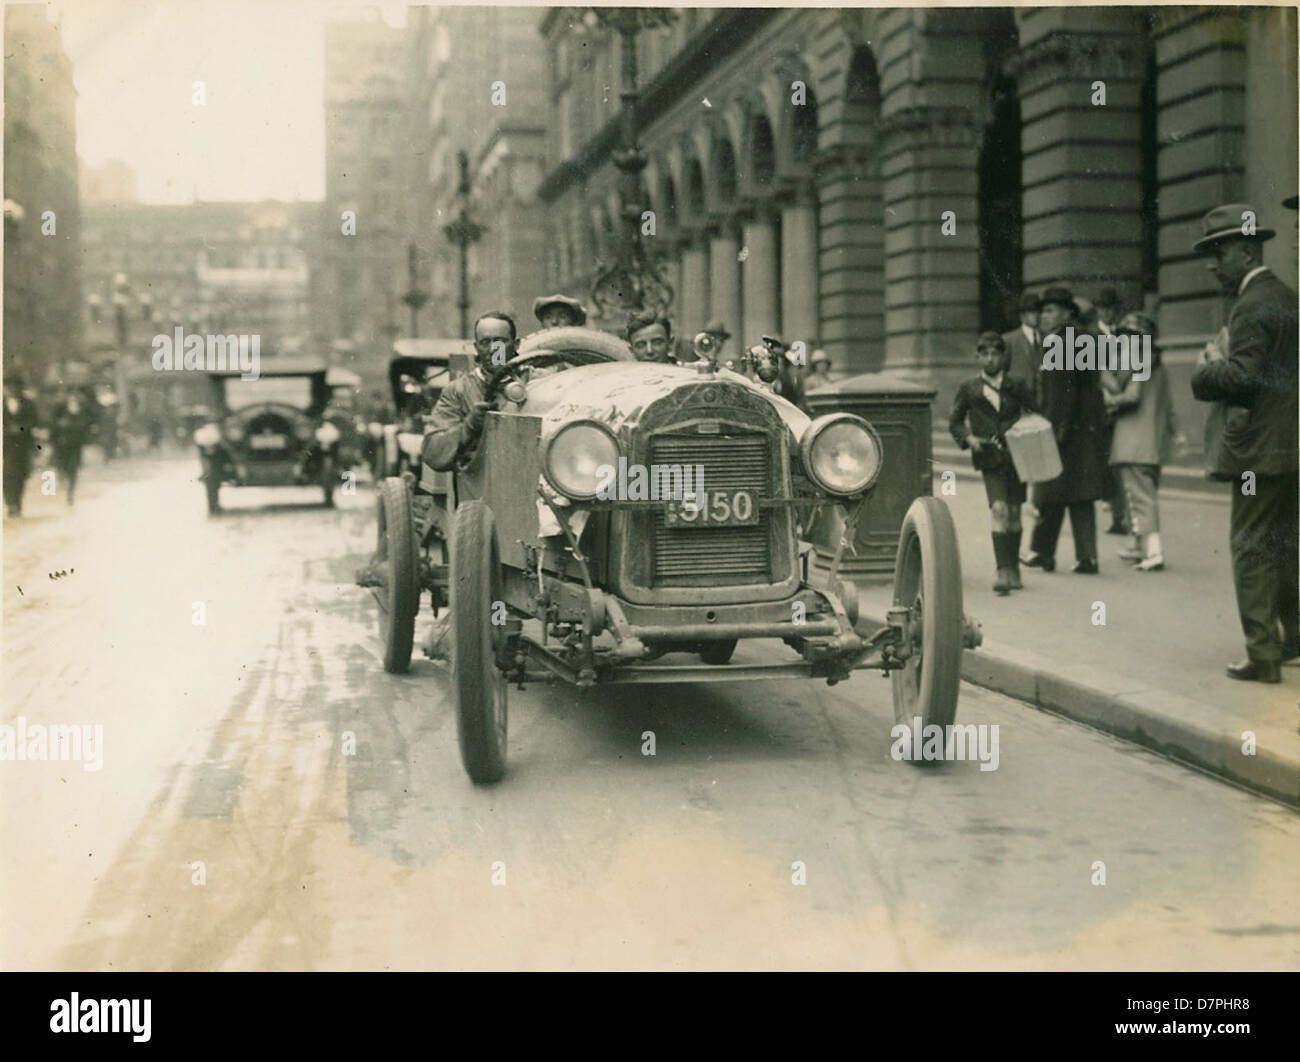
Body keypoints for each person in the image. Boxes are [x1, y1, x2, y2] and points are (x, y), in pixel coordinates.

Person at [1190, 202, 1298, 683]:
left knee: (1251, 544)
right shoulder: (1290, 298)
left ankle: (1262, 654)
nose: (1212, 264)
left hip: (1258, 454)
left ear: (1247, 250)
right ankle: (1292, 638)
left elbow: (1243, 378)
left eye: (1219, 252)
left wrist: (1206, 368)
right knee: (1286, 542)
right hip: (1293, 448)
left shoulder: (1250, 306)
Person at [1022, 286, 1110, 574]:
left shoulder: (1062, 342)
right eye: (1042, 311)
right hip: (1082, 429)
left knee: (1053, 491)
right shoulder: (1077, 339)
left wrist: (1055, 431)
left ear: (1066, 313)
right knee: (1076, 495)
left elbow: (1065, 393)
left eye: (1050, 311)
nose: (1043, 316)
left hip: (1066, 430)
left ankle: (1043, 552)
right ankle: (1084, 557)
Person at [949, 332, 1037, 594]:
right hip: (989, 458)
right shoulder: (969, 388)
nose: (990, 359)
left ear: (1003, 356)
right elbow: (955, 421)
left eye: (995, 354)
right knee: (998, 509)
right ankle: (1002, 570)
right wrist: (969, 438)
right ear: (978, 357)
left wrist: (1026, 430)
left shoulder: (1016, 384)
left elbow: (1035, 410)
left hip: (1016, 456)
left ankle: (1014, 567)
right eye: (985, 354)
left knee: (1014, 514)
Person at [1106, 312, 1181, 572]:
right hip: (1154, 442)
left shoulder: (1138, 361)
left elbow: (1131, 396)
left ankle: (1153, 551)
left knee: (1139, 498)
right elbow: (1169, 406)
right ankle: (1137, 547)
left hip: (1132, 442)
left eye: (1128, 337)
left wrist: (1107, 399)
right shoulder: (1158, 363)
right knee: (1143, 495)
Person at [422, 310, 519, 474]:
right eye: (485, 342)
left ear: (516, 345)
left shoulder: (537, 382)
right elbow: (433, 453)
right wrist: (470, 425)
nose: (493, 350)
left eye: (500, 342)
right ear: (476, 347)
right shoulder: (458, 390)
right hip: (478, 485)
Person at [1094, 286, 1131, 535]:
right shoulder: (1090, 336)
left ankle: (1120, 516)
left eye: (1111, 308)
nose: (1107, 313)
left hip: (1123, 406)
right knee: (1105, 462)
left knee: (1120, 464)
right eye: (1103, 309)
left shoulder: (1125, 335)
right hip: (1099, 407)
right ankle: (1113, 508)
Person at [49, 386, 95, 506]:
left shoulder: (83, 407)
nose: (73, 396)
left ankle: (70, 491)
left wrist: (83, 428)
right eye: (71, 393)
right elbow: (52, 424)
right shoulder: (60, 407)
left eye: (76, 394)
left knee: (73, 468)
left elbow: (90, 421)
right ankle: (65, 481)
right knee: (63, 466)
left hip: (76, 442)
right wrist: (59, 428)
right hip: (62, 442)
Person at [3, 374, 39, 517]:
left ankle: (17, 502)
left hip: (23, 444)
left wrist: (21, 428)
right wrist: (7, 430)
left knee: (21, 474)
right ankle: (10, 502)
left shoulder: (28, 404)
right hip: (5, 445)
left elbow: (34, 421)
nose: (13, 389)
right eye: (10, 387)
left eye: (16, 386)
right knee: (7, 473)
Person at [1001, 291, 1041, 390]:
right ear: (1022, 315)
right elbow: (1000, 371)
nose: (1037, 315)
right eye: (1032, 312)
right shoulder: (1009, 339)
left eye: (1039, 311)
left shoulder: (1047, 338)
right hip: (1018, 397)